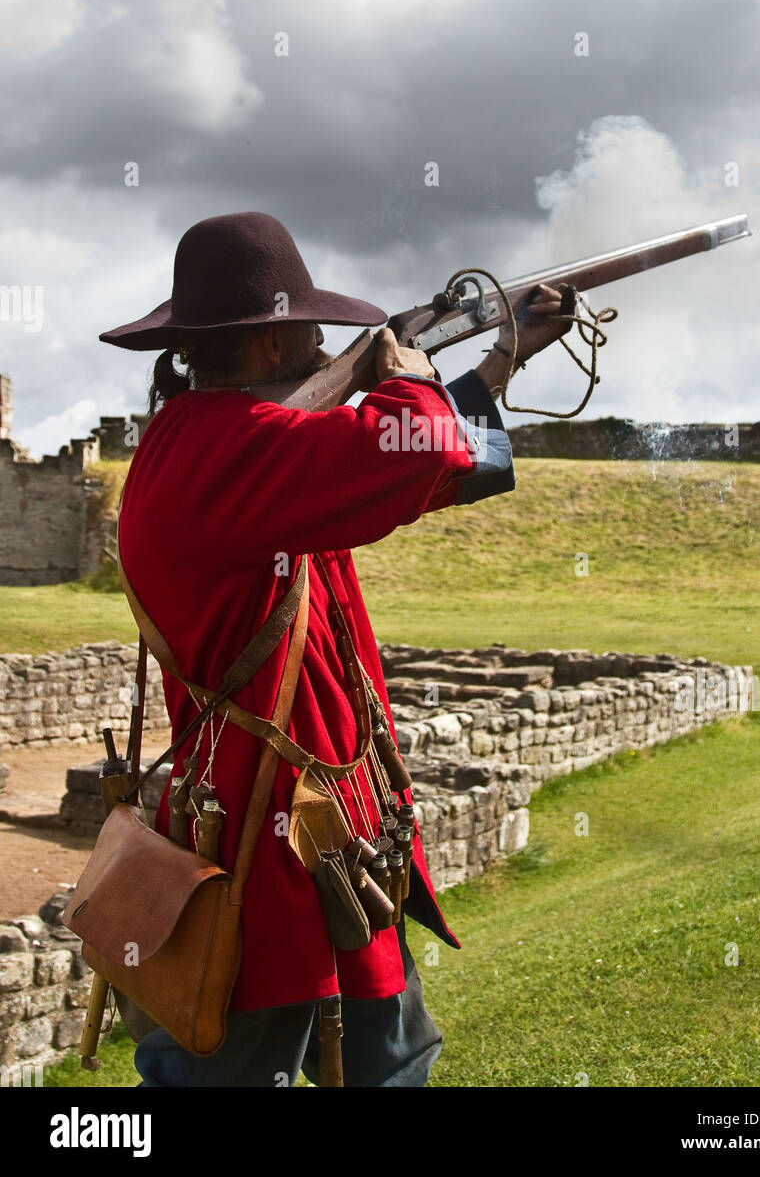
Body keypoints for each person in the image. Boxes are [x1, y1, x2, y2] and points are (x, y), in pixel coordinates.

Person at [98, 211, 571, 1087]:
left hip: (321, 835)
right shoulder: (231, 450)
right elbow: (415, 441)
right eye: (311, 328)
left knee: (388, 1062)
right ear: (276, 338)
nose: (326, 343)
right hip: (263, 853)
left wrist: (503, 358)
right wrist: (406, 372)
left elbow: (412, 473)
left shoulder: (212, 444)